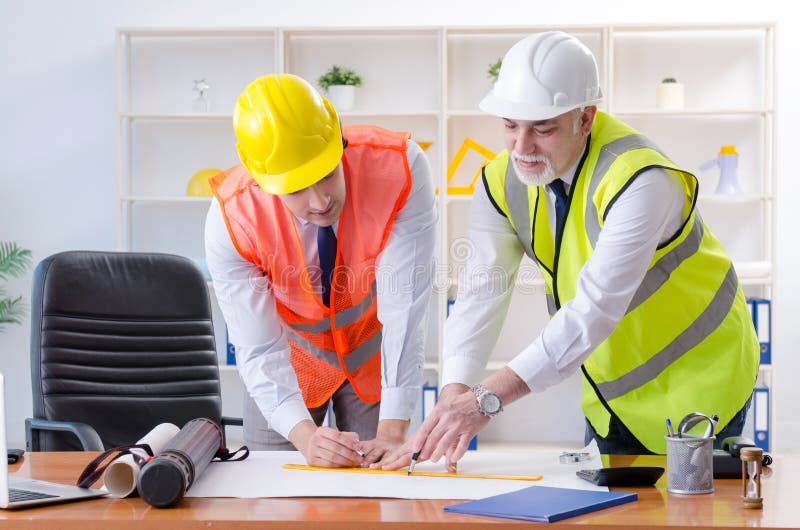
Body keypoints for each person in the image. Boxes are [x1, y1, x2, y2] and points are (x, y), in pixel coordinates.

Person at [381, 31, 759, 469]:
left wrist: (486, 399)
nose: (521, 148)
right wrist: (453, 396)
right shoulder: (501, 180)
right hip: (613, 392)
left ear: (585, 118)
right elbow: (480, 293)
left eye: (542, 128)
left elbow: (594, 308)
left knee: (693, 512)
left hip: (705, 379)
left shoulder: (642, 179)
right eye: (509, 126)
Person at [205, 73, 436, 468]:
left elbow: (405, 305)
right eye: (296, 189)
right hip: (288, 361)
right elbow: (259, 347)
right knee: (275, 495)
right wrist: (304, 436)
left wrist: (393, 430)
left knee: (376, 487)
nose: (320, 201)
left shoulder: (400, 168)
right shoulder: (232, 221)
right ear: (263, 180)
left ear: (339, 139)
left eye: (327, 172)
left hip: (372, 355)